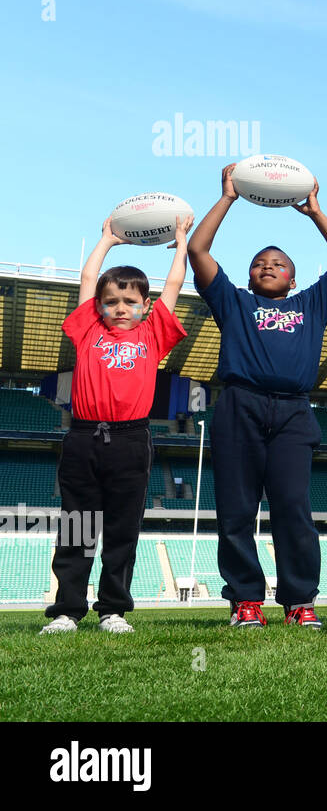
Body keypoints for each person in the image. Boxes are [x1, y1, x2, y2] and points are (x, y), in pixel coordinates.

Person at [188, 163, 327, 630]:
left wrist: (316, 213)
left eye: (278, 264)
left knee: (292, 509)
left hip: (293, 411)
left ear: (293, 280)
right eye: (260, 263)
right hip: (239, 405)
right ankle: (245, 600)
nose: (268, 266)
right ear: (248, 275)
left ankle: (300, 601)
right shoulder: (234, 301)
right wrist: (228, 198)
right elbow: (197, 249)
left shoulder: (312, 304)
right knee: (236, 511)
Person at [41, 213, 193, 634]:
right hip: (84, 437)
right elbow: (87, 280)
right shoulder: (89, 330)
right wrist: (107, 240)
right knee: (77, 526)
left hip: (131, 440)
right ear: (100, 308)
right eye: (112, 302)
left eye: (130, 302)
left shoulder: (153, 335)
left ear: (145, 306)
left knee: (123, 530)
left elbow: (175, 286)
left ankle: (113, 609)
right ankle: (68, 610)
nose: (120, 308)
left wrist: (181, 244)